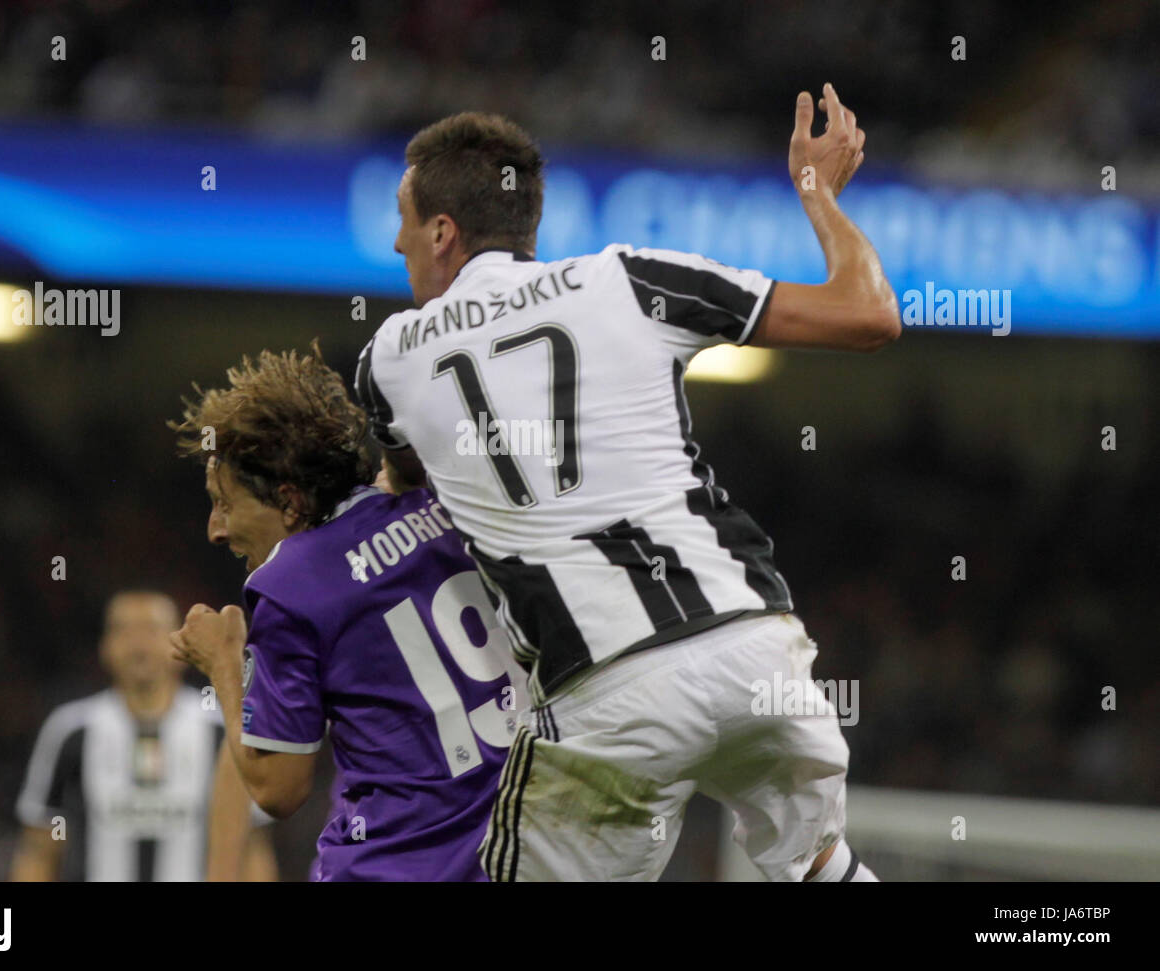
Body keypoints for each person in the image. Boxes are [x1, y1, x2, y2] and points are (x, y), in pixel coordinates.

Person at [355, 86, 897, 881]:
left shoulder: (390, 360)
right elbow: (868, 312)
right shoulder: (633, 276)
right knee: (820, 867)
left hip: (607, 689)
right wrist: (817, 191)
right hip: (755, 647)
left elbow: (401, 485)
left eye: (404, 232)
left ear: (442, 232)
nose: (400, 251)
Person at [168, 346, 525, 881]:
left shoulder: (288, 585)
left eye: (225, 503)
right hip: (520, 847)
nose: (215, 529)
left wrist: (222, 662)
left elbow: (277, 790)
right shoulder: (438, 509)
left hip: (393, 863)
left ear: (289, 502)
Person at [12, 589, 276, 881]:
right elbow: (38, 849)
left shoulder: (220, 731)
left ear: (180, 643)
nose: (138, 645)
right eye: (123, 631)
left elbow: (252, 847)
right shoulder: (71, 730)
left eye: (151, 630)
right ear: (105, 646)